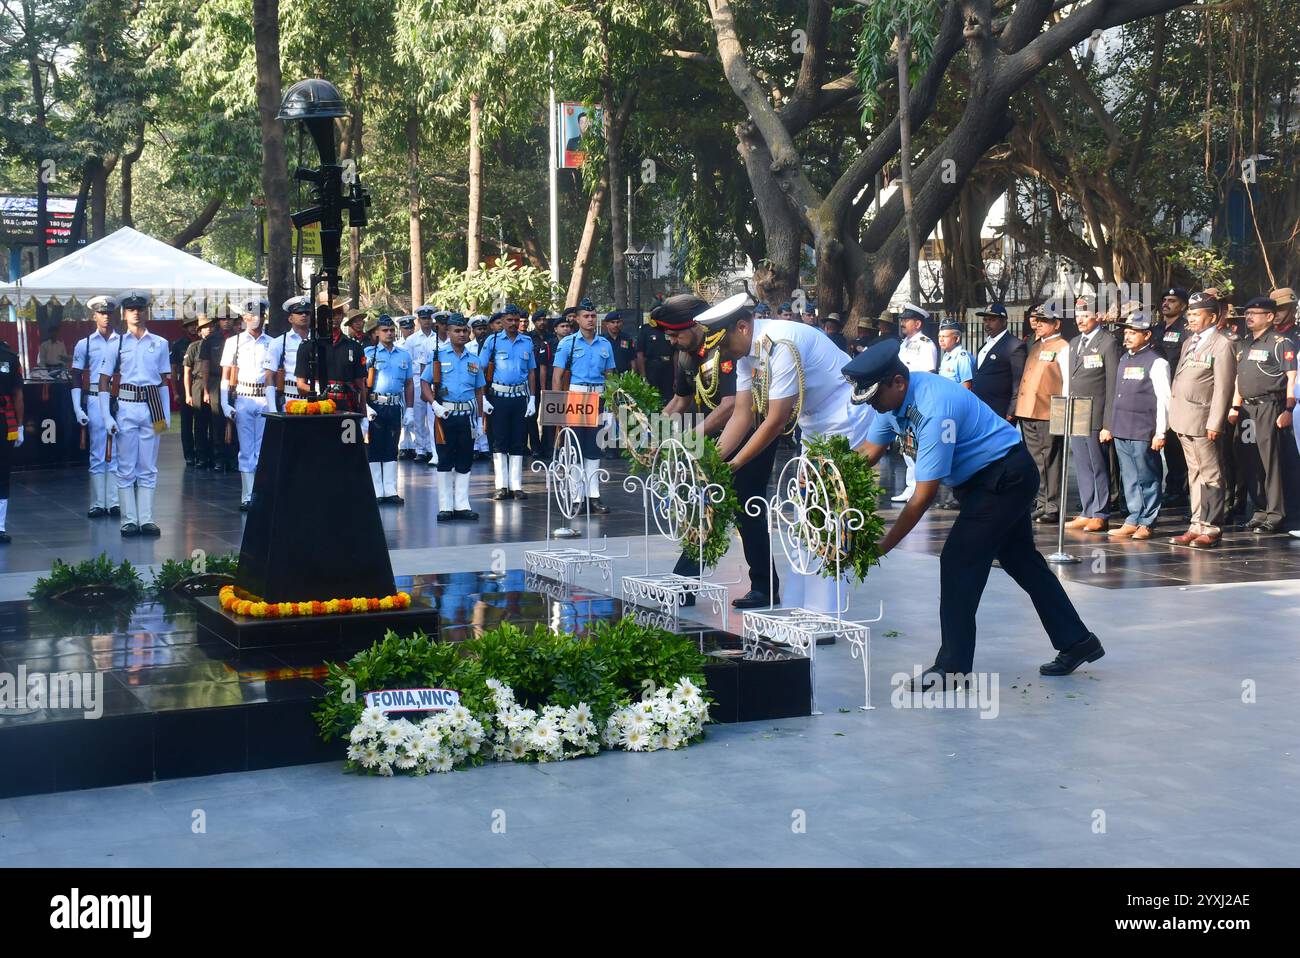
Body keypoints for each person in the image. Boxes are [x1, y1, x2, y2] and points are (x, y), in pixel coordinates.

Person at [844, 339, 1104, 686]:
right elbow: (870, 450)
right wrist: (834, 474)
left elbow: (923, 496)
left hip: (1003, 477)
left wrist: (883, 545)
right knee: (1022, 561)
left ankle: (952, 667)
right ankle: (1078, 641)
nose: (872, 405)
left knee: (957, 561)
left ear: (898, 382)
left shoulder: (934, 408)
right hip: (985, 479)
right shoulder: (891, 405)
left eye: (875, 396)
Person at [702, 294, 874, 611]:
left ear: (742, 327)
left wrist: (734, 464)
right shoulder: (745, 354)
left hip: (844, 416)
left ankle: (826, 610)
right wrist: (713, 461)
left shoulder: (778, 345)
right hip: (814, 420)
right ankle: (800, 600)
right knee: (805, 512)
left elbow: (774, 421)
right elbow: (743, 414)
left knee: (828, 512)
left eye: (722, 345)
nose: (721, 354)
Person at [656, 294, 770, 606]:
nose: (673, 341)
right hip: (716, 436)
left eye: (677, 333)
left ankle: (763, 586)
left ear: (695, 326)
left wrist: (688, 441)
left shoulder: (725, 348)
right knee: (705, 508)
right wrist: (653, 433)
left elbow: (732, 405)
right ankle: (685, 582)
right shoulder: (686, 355)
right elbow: (681, 400)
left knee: (748, 510)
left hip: (750, 435)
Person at [96, 290, 171, 538]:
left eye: (139, 309)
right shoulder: (115, 344)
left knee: (148, 467)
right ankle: (129, 519)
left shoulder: (159, 343)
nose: (136, 312)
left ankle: (147, 519)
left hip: (152, 407)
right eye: (131, 309)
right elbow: (103, 382)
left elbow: (162, 382)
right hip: (126, 406)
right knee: (126, 466)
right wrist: (106, 416)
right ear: (124, 313)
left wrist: (165, 416)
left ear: (146, 311)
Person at [1167, 291, 1237, 547]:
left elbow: (1223, 387)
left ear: (1213, 315)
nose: (1191, 319)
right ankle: (1196, 523)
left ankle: (1212, 525)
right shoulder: (1189, 341)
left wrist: (1215, 422)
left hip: (1204, 420)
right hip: (1184, 418)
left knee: (1211, 474)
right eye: (1190, 314)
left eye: (1196, 314)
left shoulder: (1222, 344)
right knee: (1194, 474)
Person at [1229, 296, 1297, 533]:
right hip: (1247, 409)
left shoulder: (1281, 343)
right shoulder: (1244, 343)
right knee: (1250, 459)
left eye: (1254, 314)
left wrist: (1289, 409)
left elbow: (1291, 378)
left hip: (1270, 407)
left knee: (1271, 462)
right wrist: (1235, 407)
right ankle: (1259, 510)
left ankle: (1275, 514)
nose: (1249, 317)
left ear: (1269, 316)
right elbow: (1239, 378)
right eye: (1247, 313)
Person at [1102, 313, 1171, 540]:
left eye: (1133, 332)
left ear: (1147, 335)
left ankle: (1147, 521)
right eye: (1126, 332)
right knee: (1129, 477)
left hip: (1144, 428)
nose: (1127, 336)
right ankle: (1133, 517)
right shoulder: (1124, 358)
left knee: (1148, 477)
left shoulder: (1157, 361)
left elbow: (1164, 399)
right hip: (1122, 426)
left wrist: (1161, 431)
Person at [553, 299, 616, 514]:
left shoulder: (605, 344)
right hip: (576, 397)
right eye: (586, 316)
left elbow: (610, 377)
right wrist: (559, 407)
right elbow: (557, 377)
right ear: (577, 319)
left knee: (595, 449)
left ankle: (594, 495)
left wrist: (611, 405)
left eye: (593, 316)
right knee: (575, 449)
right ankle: (577, 495)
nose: (590, 320)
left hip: (598, 397)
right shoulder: (568, 343)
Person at [423, 313, 484, 521]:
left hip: (466, 415)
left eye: (464, 331)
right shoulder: (439, 357)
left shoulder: (474, 360)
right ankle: (445, 506)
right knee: (445, 459)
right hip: (445, 414)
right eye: (457, 331)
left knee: (465, 459)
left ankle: (462, 504)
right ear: (447, 332)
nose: (461, 334)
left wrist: (480, 419)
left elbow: (479, 391)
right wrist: (434, 404)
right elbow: (424, 383)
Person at [1065, 297, 1119, 533]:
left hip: (1096, 413)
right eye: (1078, 316)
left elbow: (1112, 386)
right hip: (1077, 411)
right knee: (1082, 464)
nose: (1080, 320)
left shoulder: (1108, 342)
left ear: (1097, 316)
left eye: (1085, 316)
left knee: (1098, 465)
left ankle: (1100, 512)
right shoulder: (1075, 342)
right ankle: (1087, 510)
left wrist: (1108, 423)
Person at [1015, 305, 1070, 523]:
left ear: (1056, 324)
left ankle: (1051, 504)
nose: (1038, 324)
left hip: (1048, 410)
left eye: (1044, 321)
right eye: (1037, 320)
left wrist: (1063, 414)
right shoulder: (1036, 345)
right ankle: (1040, 501)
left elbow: (1067, 383)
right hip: (1028, 409)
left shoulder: (1063, 347)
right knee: (1035, 459)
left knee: (1049, 459)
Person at [71, 296, 122, 518]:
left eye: (109, 313)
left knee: (118, 450)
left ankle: (114, 501)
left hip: (119, 397)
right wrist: (77, 408)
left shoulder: (123, 341)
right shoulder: (85, 344)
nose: (106, 317)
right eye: (102, 313)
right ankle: (98, 502)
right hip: (93, 397)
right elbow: (76, 375)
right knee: (97, 451)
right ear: (94, 316)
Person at [220, 297, 273, 511]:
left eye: (257, 315)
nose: (253, 319)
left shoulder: (271, 342)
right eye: (249, 315)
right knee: (246, 449)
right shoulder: (234, 342)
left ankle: (260, 493)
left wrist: (272, 405)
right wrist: (224, 403)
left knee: (262, 450)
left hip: (264, 398)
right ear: (243, 317)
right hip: (242, 397)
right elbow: (225, 375)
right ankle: (247, 495)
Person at [483, 305, 537, 500]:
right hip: (499, 397)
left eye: (516, 320)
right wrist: (482, 398)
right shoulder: (493, 341)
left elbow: (531, 372)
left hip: (519, 398)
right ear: (502, 321)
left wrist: (532, 398)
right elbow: (482, 371)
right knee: (499, 441)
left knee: (518, 441)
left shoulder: (527, 342)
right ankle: (501, 485)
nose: (513, 323)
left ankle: (516, 486)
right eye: (509, 320)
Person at [364, 315, 416, 504]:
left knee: (391, 447)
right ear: (376, 333)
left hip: (395, 405)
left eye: (391, 330)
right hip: (376, 404)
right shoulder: (369, 353)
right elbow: (362, 383)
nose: (389, 333)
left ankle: (391, 489)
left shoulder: (404, 355)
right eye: (385, 330)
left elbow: (409, 383)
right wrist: (366, 406)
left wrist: (409, 408)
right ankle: (378, 490)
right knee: (376, 447)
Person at [893, 303, 939, 503]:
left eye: (906, 320)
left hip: (917, 399)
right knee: (907, 445)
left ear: (918, 323)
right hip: (903, 399)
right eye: (902, 319)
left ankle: (921, 488)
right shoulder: (905, 343)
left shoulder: (925, 343)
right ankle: (911, 486)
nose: (902, 323)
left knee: (917, 445)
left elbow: (929, 374)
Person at [1156, 287, 1192, 508]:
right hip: (1155, 393)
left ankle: (1178, 489)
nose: (1166, 304)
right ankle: (1169, 488)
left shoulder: (1186, 330)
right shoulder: (1156, 329)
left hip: (1176, 393)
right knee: (1162, 443)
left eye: (1172, 300)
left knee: (1176, 446)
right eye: (1165, 299)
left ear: (1183, 306)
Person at [296, 307, 367, 413]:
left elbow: (360, 385)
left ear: (342, 316)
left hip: (346, 406)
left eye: (337, 313)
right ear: (321, 316)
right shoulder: (308, 346)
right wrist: (320, 390)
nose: (334, 317)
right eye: (330, 313)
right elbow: (300, 386)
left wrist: (364, 414)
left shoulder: (354, 346)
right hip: (317, 406)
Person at [972, 302, 1025, 420]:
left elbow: (1019, 381)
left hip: (1000, 410)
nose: (987, 324)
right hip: (980, 408)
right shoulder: (985, 345)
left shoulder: (1015, 346)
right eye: (985, 320)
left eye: (992, 320)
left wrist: (1012, 409)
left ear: (1004, 321)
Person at [263, 295, 311, 413]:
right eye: (299, 313)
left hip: (315, 399)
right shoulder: (279, 342)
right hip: (290, 400)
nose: (304, 315)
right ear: (290, 318)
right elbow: (269, 376)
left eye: (307, 312)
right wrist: (273, 409)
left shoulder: (318, 342)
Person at [404, 306, 436, 462]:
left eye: (429, 318)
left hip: (431, 379)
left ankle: (431, 448)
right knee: (418, 415)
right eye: (423, 318)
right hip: (416, 378)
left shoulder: (436, 338)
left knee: (432, 414)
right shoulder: (412, 340)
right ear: (419, 320)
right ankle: (420, 449)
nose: (427, 321)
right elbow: (407, 362)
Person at [0, 334, 24, 543]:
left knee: (2, 472)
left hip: (3, 421)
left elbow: (17, 393)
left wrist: (21, 426)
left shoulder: (9, 356)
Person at [169, 317, 199, 466]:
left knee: (201, 422)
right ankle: (189, 454)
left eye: (195, 325)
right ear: (185, 328)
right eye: (190, 326)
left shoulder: (203, 341)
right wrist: (175, 391)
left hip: (200, 383)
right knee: (186, 422)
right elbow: (174, 370)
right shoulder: (178, 344)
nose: (194, 328)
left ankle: (201, 453)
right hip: (184, 384)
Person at [183, 317, 211, 470]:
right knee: (200, 423)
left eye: (210, 326)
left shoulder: (219, 345)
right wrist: (188, 394)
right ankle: (201, 456)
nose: (209, 329)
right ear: (199, 332)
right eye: (205, 327)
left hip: (214, 384)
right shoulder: (193, 347)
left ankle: (213, 456)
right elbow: (186, 372)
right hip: (198, 384)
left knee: (215, 423)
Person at [635, 301, 676, 404]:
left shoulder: (669, 329)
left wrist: (676, 375)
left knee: (669, 398)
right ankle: (654, 420)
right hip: (652, 367)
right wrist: (643, 376)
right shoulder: (646, 330)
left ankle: (667, 420)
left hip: (668, 367)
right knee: (653, 398)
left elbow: (676, 353)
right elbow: (640, 354)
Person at [937, 317, 974, 388]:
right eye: (939, 336)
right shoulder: (946, 356)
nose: (941, 340)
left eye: (945, 336)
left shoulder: (962, 357)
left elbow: (967, 387)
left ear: (957, 339)